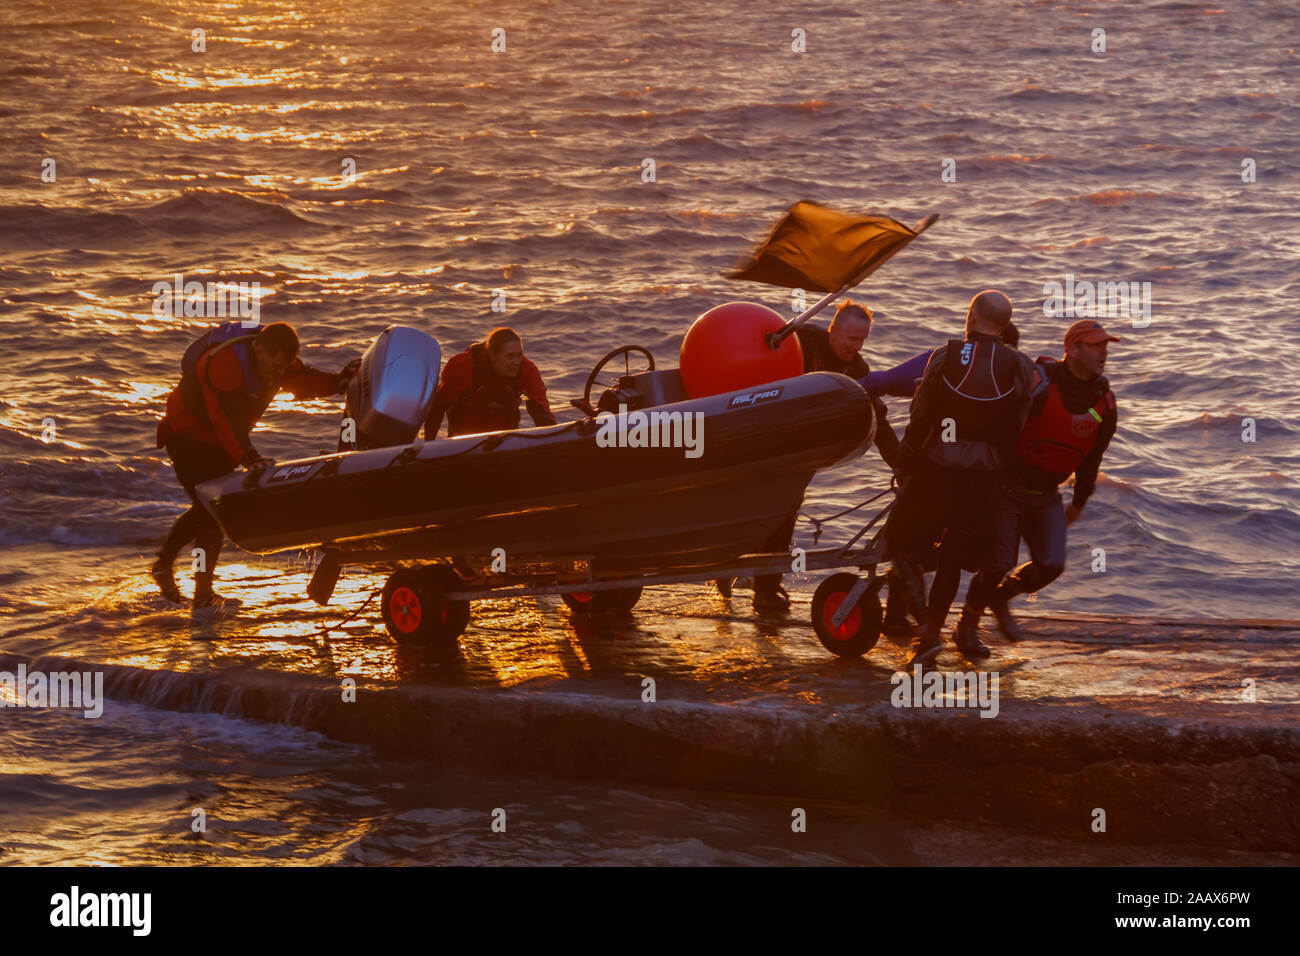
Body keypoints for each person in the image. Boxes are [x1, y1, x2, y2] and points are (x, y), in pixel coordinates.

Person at [151, 321, 357, 609]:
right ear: (258, 350)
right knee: (209, 509)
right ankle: (165, 567)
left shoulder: (279, 363)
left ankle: (201, 593)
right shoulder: (224, 364)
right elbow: (222, 420)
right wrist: (248, 456)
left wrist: (337, 382)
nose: (278, 374)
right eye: (274, 366)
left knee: (212, 515)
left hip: (220, 441)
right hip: (186, 434)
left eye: (283, 368)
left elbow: (301, 380)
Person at [882, 290, 1034, 668]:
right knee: (951, 558)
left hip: (937, 471)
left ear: (970, 317)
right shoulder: (1019, 366)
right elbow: (1019, 426)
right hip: (984, 479)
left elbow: (921, 418)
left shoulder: (946, 357)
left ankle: (925, 631)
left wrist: (905, 460)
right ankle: (952, 630)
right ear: (1004, 325)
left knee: (898, 541)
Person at [860, 321, 1019, 638]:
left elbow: (890, 387)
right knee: (944, 555)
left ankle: (920, 623)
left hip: (930, 475)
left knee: (906, 544)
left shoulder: (947, 361)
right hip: (976, 486)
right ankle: (916, 620)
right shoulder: (1017, 376)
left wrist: (906, 459)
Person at [744, 300, 897, 613]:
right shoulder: (801, 339)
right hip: (762, 437)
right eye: (852, 338)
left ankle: (765, 589)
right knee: (764, 511)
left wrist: (902, 464)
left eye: (863, 339)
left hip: (800, 453)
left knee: (784, 514)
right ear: (834, 330)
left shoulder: (858, 370)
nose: (858, 346)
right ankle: (756, 581)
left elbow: (877, 420)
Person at [981, 319, 1120, 640]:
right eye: (1096, 345)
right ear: (1072, 349)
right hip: (1007, 487)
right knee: (998, 561)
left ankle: (1001, 598)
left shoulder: (1105, 404)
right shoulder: (1039, 385)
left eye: (1106, 346)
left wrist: (1080, 502)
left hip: (1046, 493)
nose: (1104, 353)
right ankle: (968, 624)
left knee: (1053, 564)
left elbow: (1092, 458)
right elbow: (998, 430)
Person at [423, 327, 556, 439]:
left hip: (504, 439)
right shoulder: (464, 366)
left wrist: (551, 440)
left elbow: (541, 408)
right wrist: (428, 444)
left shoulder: (526, 369)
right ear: (492, 355)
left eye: (519, 355)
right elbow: (438, 406)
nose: (516, 362)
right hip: (464, 441)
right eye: (510, 356)